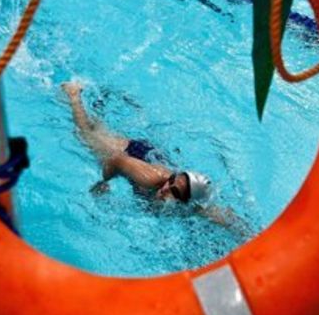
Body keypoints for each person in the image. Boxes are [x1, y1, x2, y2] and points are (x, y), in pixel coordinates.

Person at [62, 82, 247, 233]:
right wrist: (103, 181)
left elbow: (229, 220)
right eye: (172, 181)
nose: (166, 188)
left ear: (187, 201)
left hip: (155, 159)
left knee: (97, 128)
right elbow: (118, 160)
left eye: (175, 192)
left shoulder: (196, 206)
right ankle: (74, 94)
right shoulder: (152, 179)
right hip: (135, 153)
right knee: (86, 134)